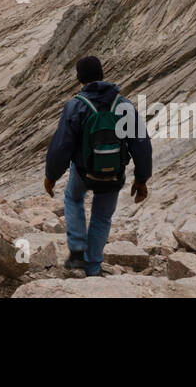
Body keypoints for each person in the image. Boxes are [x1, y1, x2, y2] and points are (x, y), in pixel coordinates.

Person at [42, 54, 151, 276]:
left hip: (83, 173)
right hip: (113, 175)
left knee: (73, 199)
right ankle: (92, 268)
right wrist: (141, 179)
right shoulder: (123, 105)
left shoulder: (76, 106)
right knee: (102, 217)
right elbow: (141, 145)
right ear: (102, 74)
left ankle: (77, 254)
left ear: (79, 78)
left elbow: (61, 146)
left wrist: (51, 175)